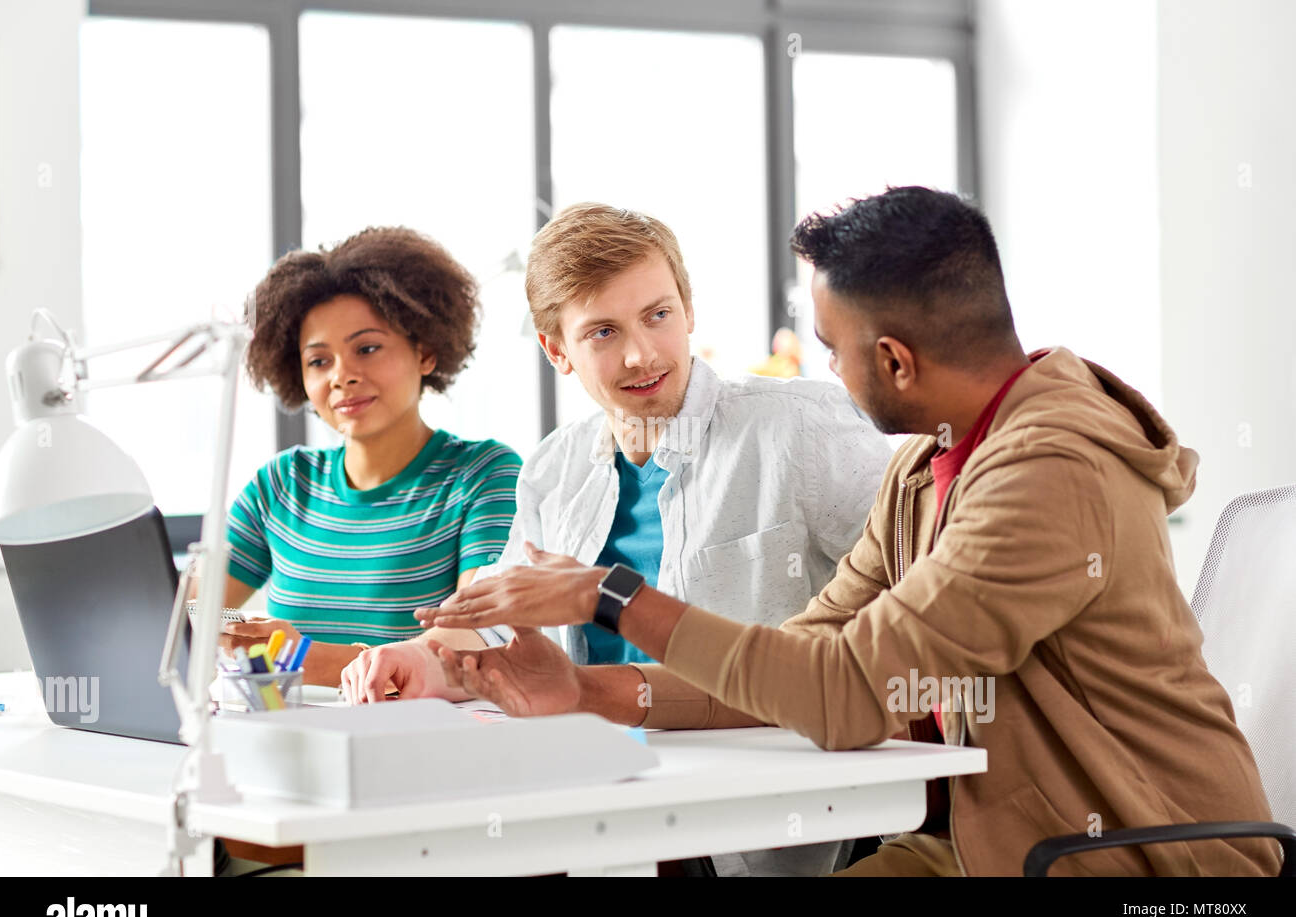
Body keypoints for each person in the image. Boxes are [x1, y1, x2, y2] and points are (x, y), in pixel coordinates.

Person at [417, 187, 1281, 877]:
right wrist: (584, 690)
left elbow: (848, 693)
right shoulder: (923, 473)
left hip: (1156, 866)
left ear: (895, 358)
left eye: (833, 348)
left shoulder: (1048, 476)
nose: (823, 370)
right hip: (1000, 838)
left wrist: (606, 595)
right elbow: (793, 664)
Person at [342, 203, 893, 875]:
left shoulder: (801, 429)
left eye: (658, 315)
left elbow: (910, 603)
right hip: (598, 806)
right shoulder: (554, 469)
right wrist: (417, 662)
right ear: (556, 349)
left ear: (688, 309)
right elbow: (500, 621)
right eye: (603, 331)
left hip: (748, 827)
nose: (641, 353)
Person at [209, 226, 522, 688]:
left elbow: (474, 640)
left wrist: (297, 659)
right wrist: (230, 631)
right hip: (289, 736)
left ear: (426, 353)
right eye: (318, 361)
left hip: (415, 742)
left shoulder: (482, 476)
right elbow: (193, 607)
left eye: (367, 348)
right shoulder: (280, 485)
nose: (342, 376)